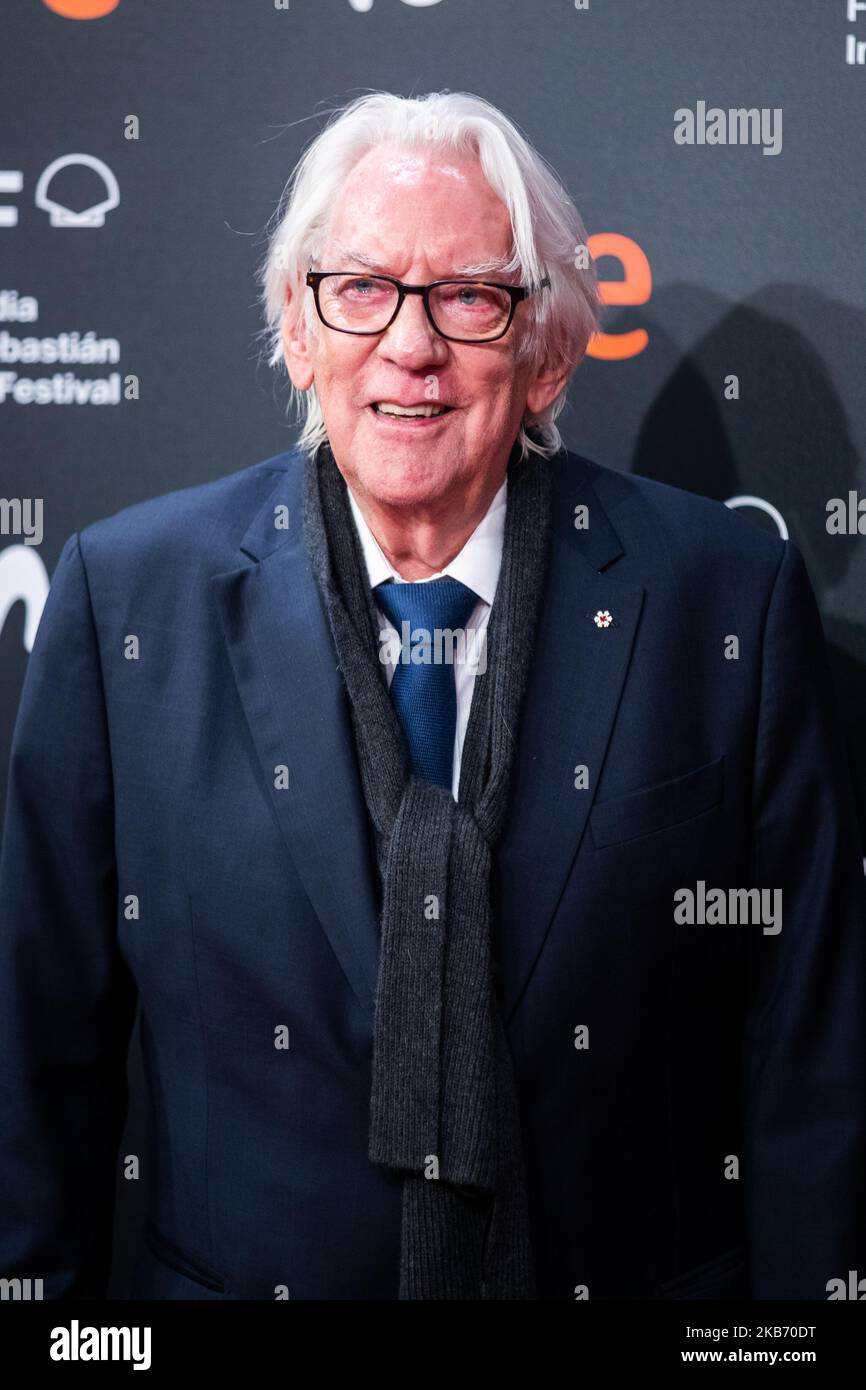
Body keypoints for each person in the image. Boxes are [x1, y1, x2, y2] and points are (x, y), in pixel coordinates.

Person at [1, 90, 863, 1301]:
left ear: (547, 349)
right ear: (297, 329)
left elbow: (810, 1053)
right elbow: (35, 1059)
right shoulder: (128, 600)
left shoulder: (723, 601)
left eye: (469, 296)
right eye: (360, 289)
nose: (409, 345)